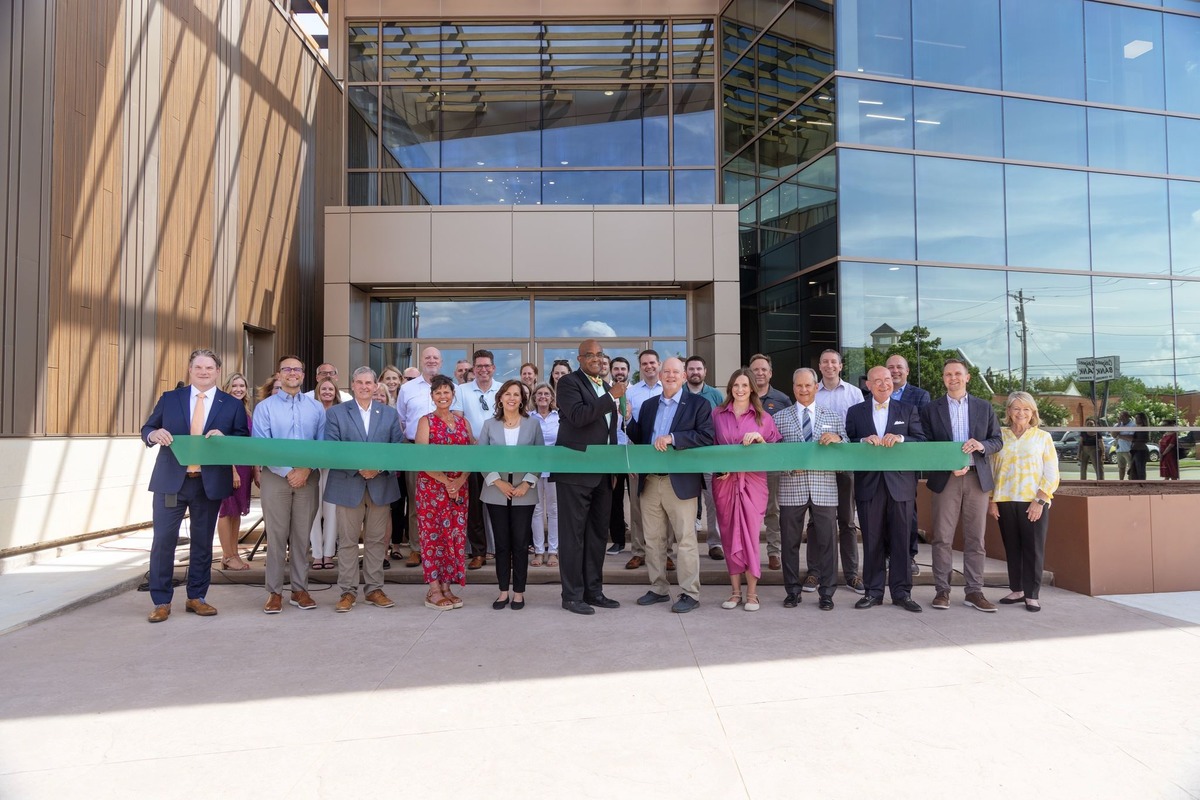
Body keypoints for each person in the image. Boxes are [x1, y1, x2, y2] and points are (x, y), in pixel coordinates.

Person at [141, 348, 249, 622]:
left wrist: (225, 438)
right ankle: (161, 601)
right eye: (198, 367)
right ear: (190, 370)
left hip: (207, 484)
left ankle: (197, 597)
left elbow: (242, 438)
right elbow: (147, 429)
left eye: (209, 368)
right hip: (170, 483)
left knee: (202, 543)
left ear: (217, 372)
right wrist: (154, 434)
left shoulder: (232, 404)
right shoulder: (170, 398)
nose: (203, 372)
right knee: (163, 542)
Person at [628, 357, 714, 613]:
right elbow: (641, 437)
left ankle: (690, 593)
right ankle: (658, 588)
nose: (670, 375)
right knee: (653, 540)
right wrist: (630, 420)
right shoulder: (648, 405)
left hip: (681, 483)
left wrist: (674, 437)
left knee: (686, 540)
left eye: (675, 372)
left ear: (685, 376)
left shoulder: (699, 404)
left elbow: (706, 436)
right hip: (651, 482)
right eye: (666, 371)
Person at [920, 358, 1004, 613]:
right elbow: (925, 444)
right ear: (943, 378)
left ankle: (974, 591)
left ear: (967, 377)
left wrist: (981, 446)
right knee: (942, 537)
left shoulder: (983, 407)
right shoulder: (930, 409)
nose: (953, 378)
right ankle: (942, 591)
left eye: (958, 373)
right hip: (947, 479)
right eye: (948, 374)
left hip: (977, 478)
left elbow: (997, 440)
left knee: (975, 539)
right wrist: (948, 463)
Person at [324, 367, 405, 613]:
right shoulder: (337, 413)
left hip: (380, 484)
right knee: (347, 541)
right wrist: (360, 467)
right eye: (359, 382)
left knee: (376, 541)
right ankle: (347, 592)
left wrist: (378, 468)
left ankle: (374, 589)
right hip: (348, 484)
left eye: (369, 383)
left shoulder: (389, 414)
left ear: (375, 385)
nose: (364, 387)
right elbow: (332, 447)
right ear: (352, 385)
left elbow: (397, 448)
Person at [845, 366, 926, 613]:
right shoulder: (855, 412)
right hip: (869, 485)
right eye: (877, 381)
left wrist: (901, 439)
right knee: (872, 540)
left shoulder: (908, 410)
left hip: (900, 486)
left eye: (888, 380)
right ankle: (873, 592)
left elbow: (921, 441)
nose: (884, 384)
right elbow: (846, 443)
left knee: (902, 540)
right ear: (868, 385)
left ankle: (902, 593)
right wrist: (861, 442)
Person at [553, 338, 624, 615]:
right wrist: (611, 397)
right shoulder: (569, 383)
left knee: (597, 536)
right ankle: (572, 595)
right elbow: (579, 417)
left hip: (603, 475)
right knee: (574, 537)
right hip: (575, 473)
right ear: (580, 359)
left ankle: (594, 591)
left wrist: (613, 470)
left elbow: (609, 432)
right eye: (590, 355)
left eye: (600, 354)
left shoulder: (606, 387)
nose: (596, 359)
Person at [253, 355, 326, 614]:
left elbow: (322, 444)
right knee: (276, 535)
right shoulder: (265, 407)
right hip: (276, 477)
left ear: (303, 375)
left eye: (297, 369)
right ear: (279, 374)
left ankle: (299, 589)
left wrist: (305, 470)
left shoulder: (316, 408)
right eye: (287, 369)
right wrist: (288, 472)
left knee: (301, 535)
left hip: (308, 477)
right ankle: (274, 592)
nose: (292, 373)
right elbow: (263, 445)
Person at [774, 368, 846, 611]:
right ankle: (792, 591)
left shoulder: (832, 416)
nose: (803, 390)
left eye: (808, 385)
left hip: (824, 488)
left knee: (828, 542)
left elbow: (846, 448)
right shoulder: (780, 418)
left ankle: (827, 593)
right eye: (799, 386)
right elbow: (774, 455)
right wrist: (789, 467)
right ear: (793, 388)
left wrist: (838, 440)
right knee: (790, 542)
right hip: (791, 487)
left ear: (817, 387)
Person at [711, 368, 782, 612]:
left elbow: (776, 449)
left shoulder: (764, 418)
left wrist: (762, 441)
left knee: (750, 536)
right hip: (725, 483)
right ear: (730, 388)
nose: (740, 389)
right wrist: (720, 468)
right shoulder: (717, 415)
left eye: (744, 385)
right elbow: (709, 449)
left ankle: (752, 594)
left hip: (753, 483)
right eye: (735, 385)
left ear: (752, 388)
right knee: (730, 536)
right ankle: (734, 592)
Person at [989, 391, 1059, 612]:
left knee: (1033, 548)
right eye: (1016, 408)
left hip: (1033, 501)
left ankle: (1031, 594)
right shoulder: (999, 436)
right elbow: (992, 470)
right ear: (1008, 411)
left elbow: (1051, 472)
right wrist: (992, 499)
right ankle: (1017, 589)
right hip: (1005, 499)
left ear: (1033, 413)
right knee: (1012, 547)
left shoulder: (1042, 438)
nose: (1021, 413)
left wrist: (1040, 500)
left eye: (1026, 409)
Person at [478, 380, 544, 610]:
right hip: (496, 492)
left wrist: (527, 483)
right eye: (507, 393)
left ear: (522, 399)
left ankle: (519, 592)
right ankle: (503, 591)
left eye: (516, 394)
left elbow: (539, 457)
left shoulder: (533, 425)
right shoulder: (489, 425)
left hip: (523, 493)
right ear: (500, 398)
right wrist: (497, 482)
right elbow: (481, 458)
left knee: (520, 544)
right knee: (502, 544)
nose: (512, 397)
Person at [398, 346, 461, 568]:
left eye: (435, 357)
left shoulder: (453, 388)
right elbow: (402, 420)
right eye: (427, 357)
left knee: (447, 502)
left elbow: (458, 418)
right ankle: (417, 548)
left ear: (441, 362)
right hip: (417, 451)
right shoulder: (407, 389)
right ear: (421, 360)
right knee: (417, 503)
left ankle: (444, 548)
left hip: (448, 452)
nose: (431, 360)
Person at [415, 375, 473, 610]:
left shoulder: (463, 423)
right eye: (438, 392)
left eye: (446, 392)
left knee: (454, 537)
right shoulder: (425, 421)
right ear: (432, 397)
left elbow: (472, 456)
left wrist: (458, 481)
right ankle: (434, 589)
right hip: (431, 489)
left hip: (459, 489)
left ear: (453, 395)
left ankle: (447, 586)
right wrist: (445, 481)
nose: (442, 396)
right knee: (433, 537)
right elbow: (421, 457)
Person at [813, 348, 864, 593]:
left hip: (845, 466)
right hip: (819, 467)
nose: (829, 366)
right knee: (816, 522)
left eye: (834, 362)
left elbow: (861, 429)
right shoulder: (812, 392)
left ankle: (852, 574)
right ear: (820, 366)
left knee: (846, 521)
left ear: (841, 366)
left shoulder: (854, 394)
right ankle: (815, 573)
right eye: (825, 362)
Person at [883, 354, 930, 577]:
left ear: (907, 371)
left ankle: (909, 556)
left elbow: (923, 433)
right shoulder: (871, 394)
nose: (895, 371)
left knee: (907, 513)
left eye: (899, 367)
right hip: (877, 465)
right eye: (890, 367)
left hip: (906, 466)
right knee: (880, 513)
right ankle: (885, 555)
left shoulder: (920, 397)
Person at [748, 353, 791, 572]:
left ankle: (774, 552)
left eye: (764, 369)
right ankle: (750, 551)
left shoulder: (782, 399)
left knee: (773, 510)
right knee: (749, 510)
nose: (760, 373)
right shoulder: (743, 395)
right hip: (747, 466)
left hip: (772, 465)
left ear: (770, 373)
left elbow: (787, 433)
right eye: (755, 369)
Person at [459, 349, 500, 570]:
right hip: (472, 454)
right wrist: (474, 439)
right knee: (474, 506)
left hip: (497, 455)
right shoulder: (462, 390)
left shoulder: (502, 389)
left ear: (493, 368)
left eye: (487, 366)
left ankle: (502, 550)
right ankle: (478, 552)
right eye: (479, 366)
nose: (483, 370)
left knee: (499, 504)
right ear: (473, 369)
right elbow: (458, 417)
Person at [624, 349, 664, 570]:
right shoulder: (631, 393)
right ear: (640, 367)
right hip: (639, 455)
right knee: (638, 507)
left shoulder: (669, 389)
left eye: (652, 362)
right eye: (644, 363)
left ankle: (664, 552)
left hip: (664, 456)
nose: (649, 366)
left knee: (664, 506)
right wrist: (630, 460)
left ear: (658, 364)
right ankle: (639, 551)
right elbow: (625, 427)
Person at [685, 355, 725, 560]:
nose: (695, 372)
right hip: (685, 458)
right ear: (686, 372)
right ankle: (688, 543)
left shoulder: (715, 395)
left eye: (698, 369)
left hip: (710, 456)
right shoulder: (678, 393)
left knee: (712, 501)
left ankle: (715, 543)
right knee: (687, 502)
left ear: (705, 372)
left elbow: (721, 425)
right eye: (691, 369)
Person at [215, 372, 256, 571]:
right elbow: (223, 444)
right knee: (225, 511)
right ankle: (227, 554)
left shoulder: (245, 409)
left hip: (244, 467)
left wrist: (254, 469)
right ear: (227, 387)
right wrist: (232, 470)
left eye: (242, 385)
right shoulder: (222, 409)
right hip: (229, 466)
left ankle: (233, 554)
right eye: (235, 385)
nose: (239, 389)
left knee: (236, 512)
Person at [308, 377, 341, 570]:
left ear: (335, 392)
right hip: (312, 466)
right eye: (324, 389)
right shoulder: (310, 409)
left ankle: (329, 554)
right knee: (314, 511)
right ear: (318, 391)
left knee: (331, 512)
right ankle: (317, 554)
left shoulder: (341, 411)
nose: (327, 392)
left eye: (330, 389)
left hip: (334, 467)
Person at [529, 382, 560, 567]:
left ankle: (553, 551)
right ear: (534, 397)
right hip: (533, 469)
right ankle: (539, 551)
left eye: (546, 394)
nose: (542, 396)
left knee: (554, 511)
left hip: (555, 469)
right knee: (537, 510)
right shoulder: (529, 418)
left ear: (551, 397)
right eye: (539, 393)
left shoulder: (559, 417)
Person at [607, 356, 632, 555]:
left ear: (628, 371)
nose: (619, 372)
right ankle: (618, 540)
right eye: (616, 368)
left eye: (623, 368)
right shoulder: (605, 392)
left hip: (633, 452)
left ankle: (641, 544)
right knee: (614, 499)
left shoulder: (636, 391)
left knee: (637, 500)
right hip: (612, 452)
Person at [1129, 412, 1150, 480]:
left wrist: (1121, 436)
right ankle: (1137, 482)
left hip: (1140, 450)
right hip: (1136, 450)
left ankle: (1142, 482)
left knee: (1140, 468)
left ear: (1142, 419)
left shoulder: (1143, 429)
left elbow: (1140, 440)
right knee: (1134, 468)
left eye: (1137, 418)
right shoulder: (1137, 428)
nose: (1136, 419)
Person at [1114, 411, 1134, 480]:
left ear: (1128, 417)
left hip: (1129, 450)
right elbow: (1113, 435)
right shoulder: (1118, 425)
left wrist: (1120, 436)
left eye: (1123, 416)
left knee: (1131, 467)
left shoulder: (1132, 425)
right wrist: (1119, 425)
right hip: (1119, 449)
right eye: (1120, 417)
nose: (1121, 418)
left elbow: (1131, 438)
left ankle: (1130, 481)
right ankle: (1121, 481)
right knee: (1121, 467)